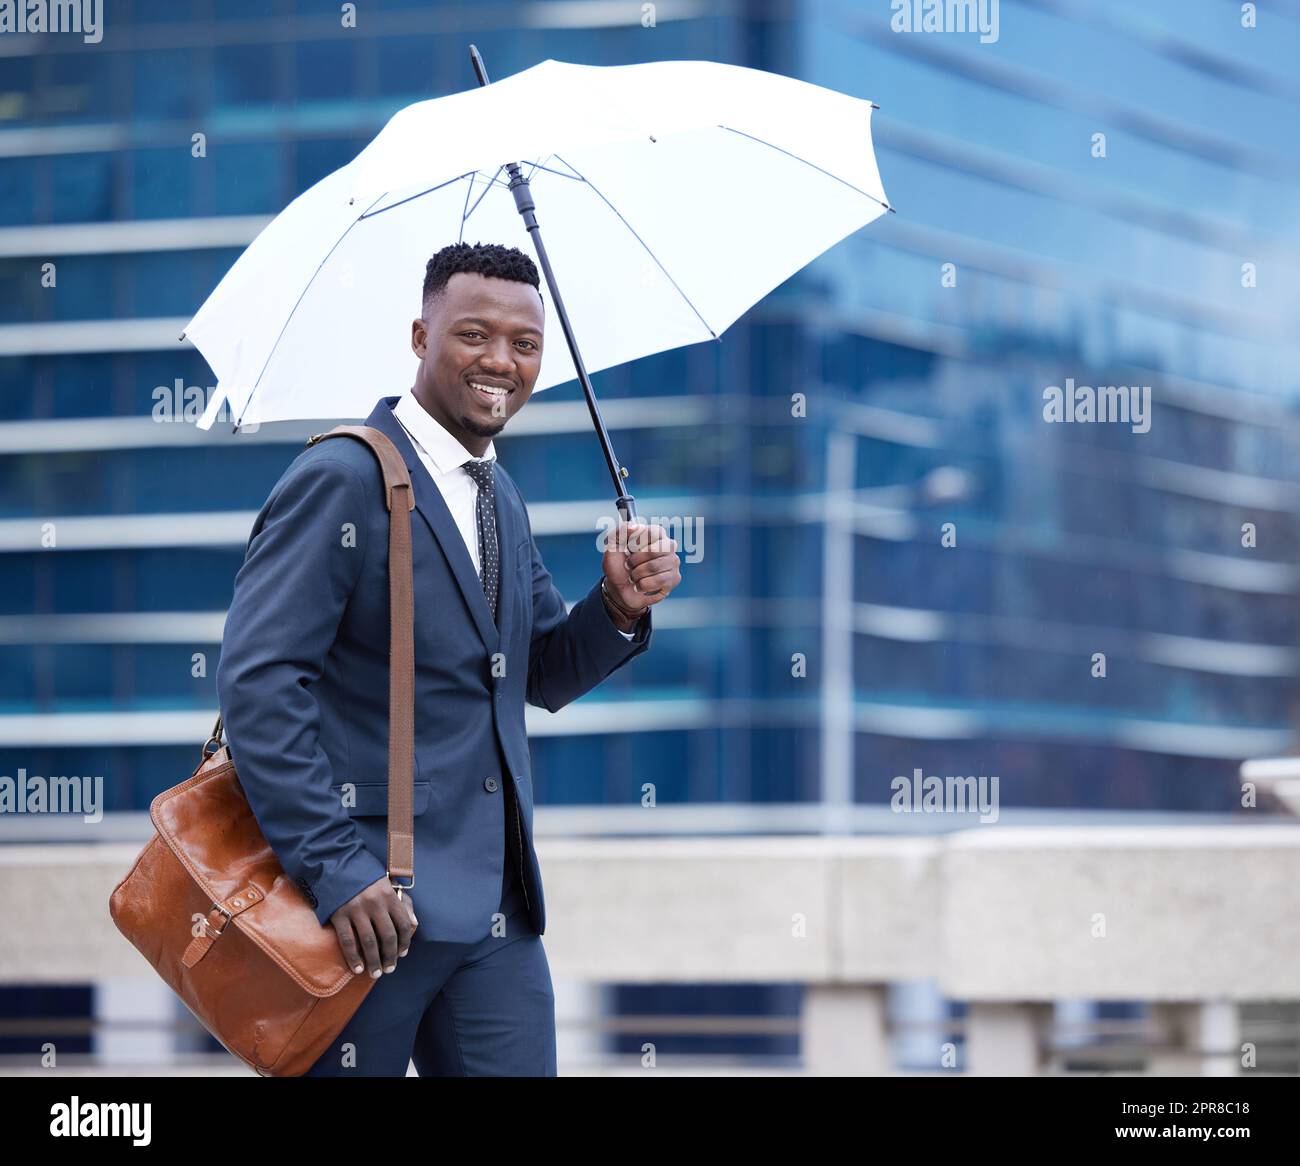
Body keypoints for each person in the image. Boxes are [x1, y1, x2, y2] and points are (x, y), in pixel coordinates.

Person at [216, 241, 681, 1075]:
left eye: (525, 344)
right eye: (474, 334)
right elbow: (259, 684)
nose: (501, 360)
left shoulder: (498, 493)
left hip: (497, 914)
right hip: (364, 914)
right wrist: (334, 871)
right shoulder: (341, 477)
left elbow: (537, 671)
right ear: (420, 334)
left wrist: (617, 606)